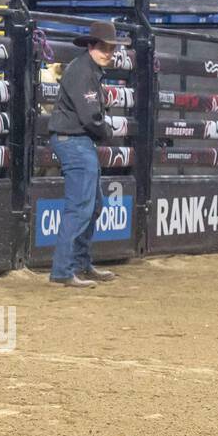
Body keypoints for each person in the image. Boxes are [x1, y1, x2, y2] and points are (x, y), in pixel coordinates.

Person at [46, 20, 127, 288]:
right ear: (91, 46)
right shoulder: (83, 72)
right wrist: (107, 132)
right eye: (104, 48)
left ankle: (77, 264)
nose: (108, 53)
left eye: (111, 49)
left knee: (91, 206)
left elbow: (89, 114)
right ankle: (63, 270)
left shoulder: (85, 69)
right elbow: (90, 116)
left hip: (76, 140)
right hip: (75, 141)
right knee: (82, 207)